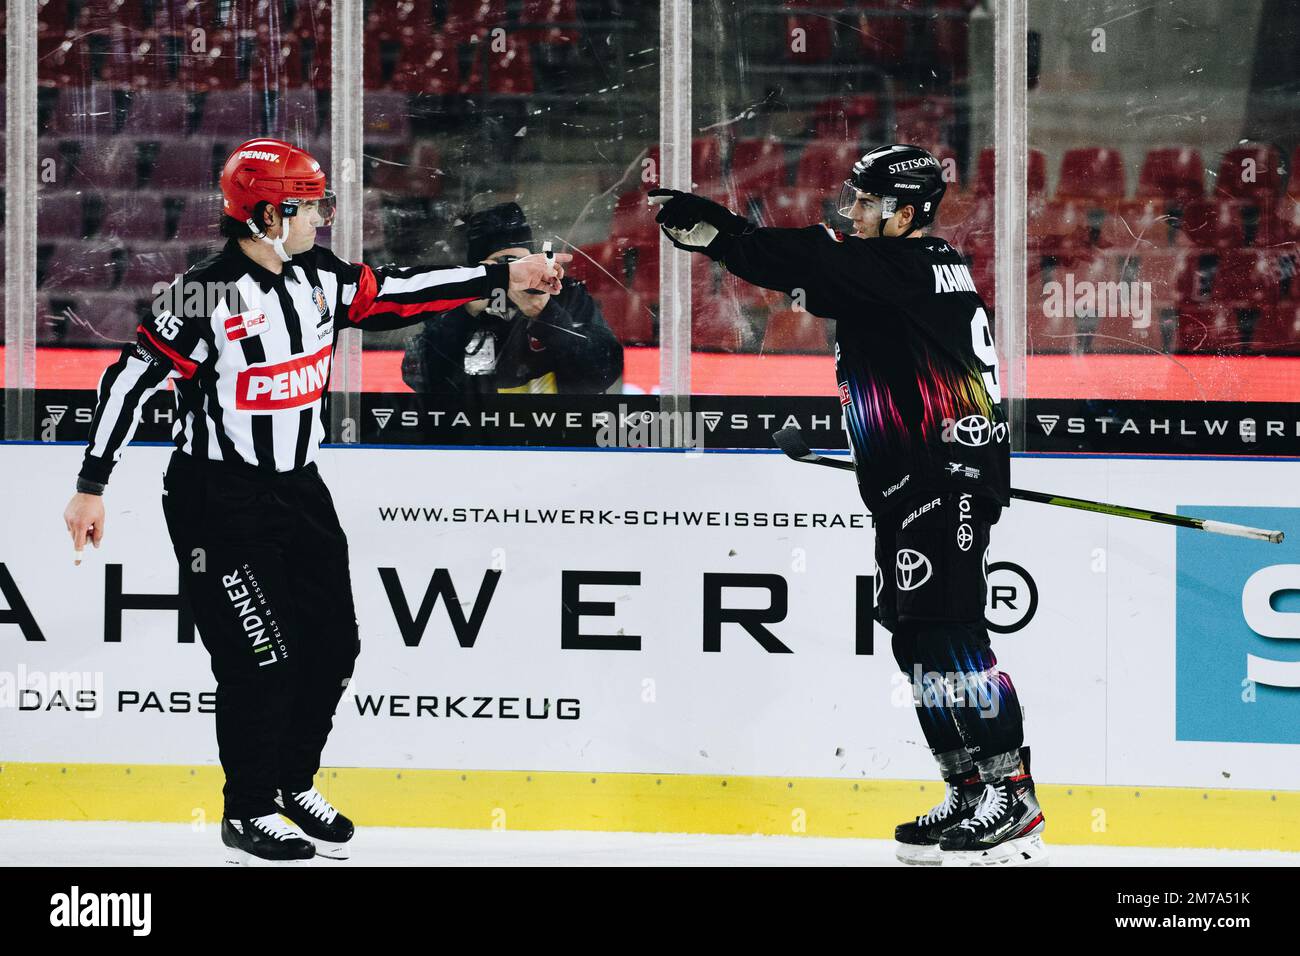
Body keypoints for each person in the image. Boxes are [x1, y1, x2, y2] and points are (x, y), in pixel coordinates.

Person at [60, 138, 569, 865]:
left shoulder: (319, 278)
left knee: (334, 646)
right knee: (260, 658)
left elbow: (398, 293)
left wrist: (500, 276)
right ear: (268, 214)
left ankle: (291, 785)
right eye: (309, 206)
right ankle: (245, 812)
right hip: (218, 498)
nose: (323, 217)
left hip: (299, 488)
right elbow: (128, 382)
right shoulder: (205, 294)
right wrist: (92, 484)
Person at [648, 144, 1045, 867]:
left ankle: (1013, 798)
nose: (852, 213)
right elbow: (827, 274)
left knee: (953, 636)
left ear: (903, 212)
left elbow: (808, 259)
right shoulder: (905, 270)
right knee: (915, 638)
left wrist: (725, 234)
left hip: (944, 477)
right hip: (914, 481)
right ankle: (966, 788)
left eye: (865, 203)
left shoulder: (907, 267)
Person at [401, 202, 623, 396]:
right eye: (502, 266)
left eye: (524, 265)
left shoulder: (562, 293)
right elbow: (424, 379)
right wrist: (467, 310)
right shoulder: (458, 298)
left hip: (559, 430)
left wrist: (545, 313)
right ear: (479, 269)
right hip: (480, 435)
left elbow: (603, 372)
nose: (515, 276)